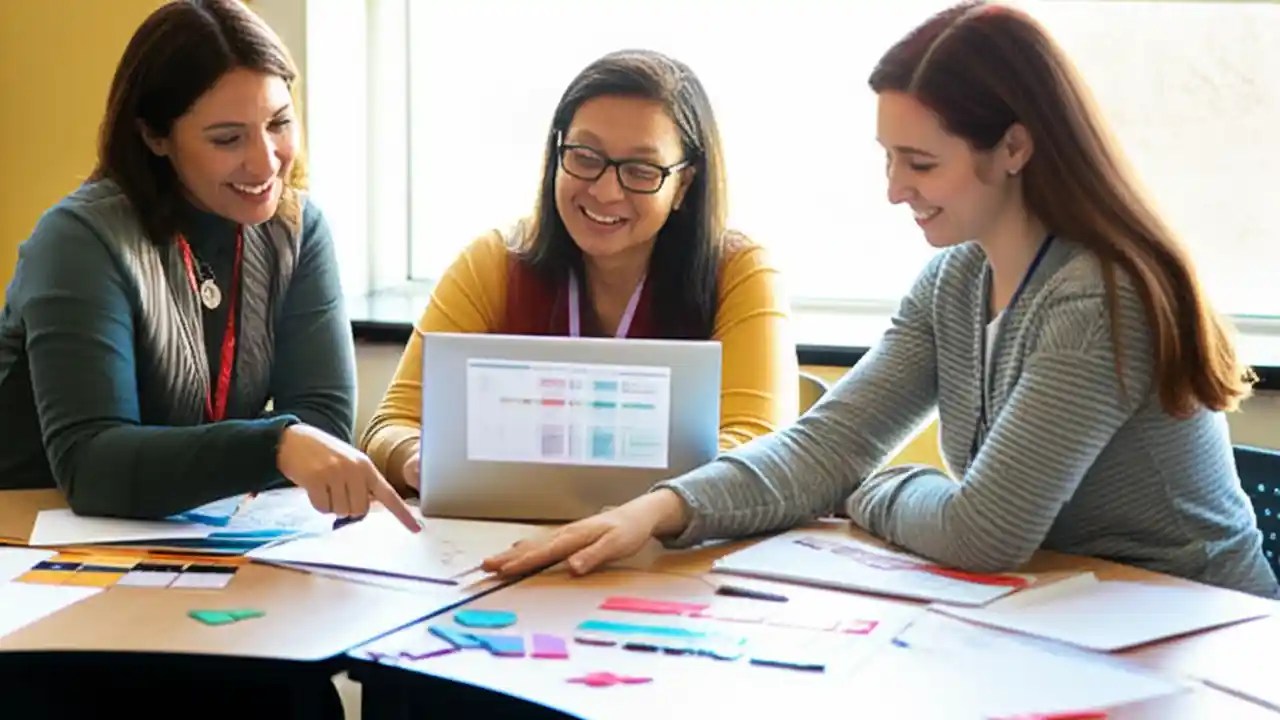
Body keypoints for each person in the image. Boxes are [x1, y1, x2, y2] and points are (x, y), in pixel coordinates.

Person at [483, 1, 1278, 598]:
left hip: (1195, 635)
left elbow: (983, 531)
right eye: (888, 158)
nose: (895, 189)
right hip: (1064, 611)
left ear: (1014, 147)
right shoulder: (954, 281)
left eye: (920, 163)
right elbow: (824, 447)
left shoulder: (1100, 299)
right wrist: (653, 511)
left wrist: (870, 488)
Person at [0, 0, 417, 533]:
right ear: (154, 136)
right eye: (228, 138)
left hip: (175, 533)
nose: (266, 161)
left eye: (279, 123)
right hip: (29, 536)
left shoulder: (298, 228)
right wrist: (275, 444)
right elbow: (92, 465)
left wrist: (283, 445)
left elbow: (324, 428)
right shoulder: (79, 239)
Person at [361, 49, 799, 494]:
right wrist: (422, 460)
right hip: (507, 525)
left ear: (684, 184)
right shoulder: (494, 262)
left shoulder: (739, 272)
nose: (606, 191)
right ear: (557, 155)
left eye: (641, 170)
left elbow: (761, 448)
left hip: (671, 531)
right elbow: (391, 425)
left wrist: (652, 501)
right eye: (586, 157)